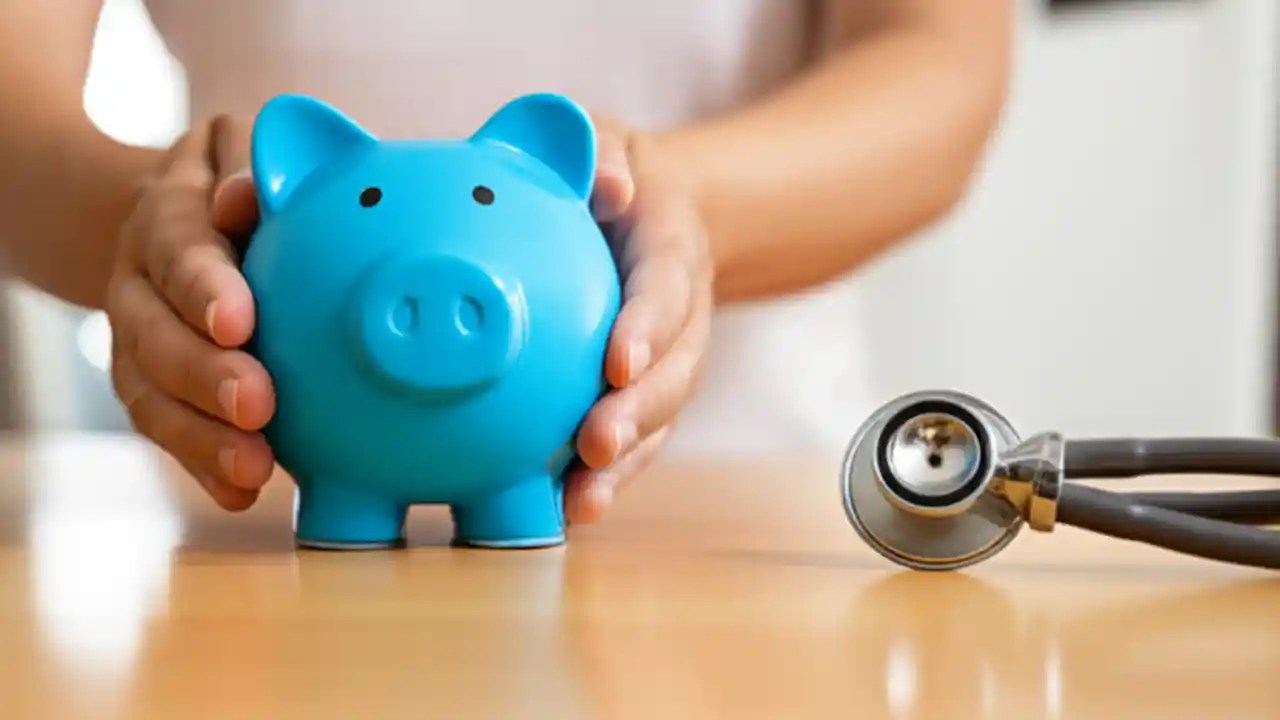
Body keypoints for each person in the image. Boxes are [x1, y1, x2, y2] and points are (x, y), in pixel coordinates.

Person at [0, 1, 1014, 524]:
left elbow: (942, 58)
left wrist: (684, 204)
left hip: (754, 500)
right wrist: (152, 230)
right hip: (248, 518)